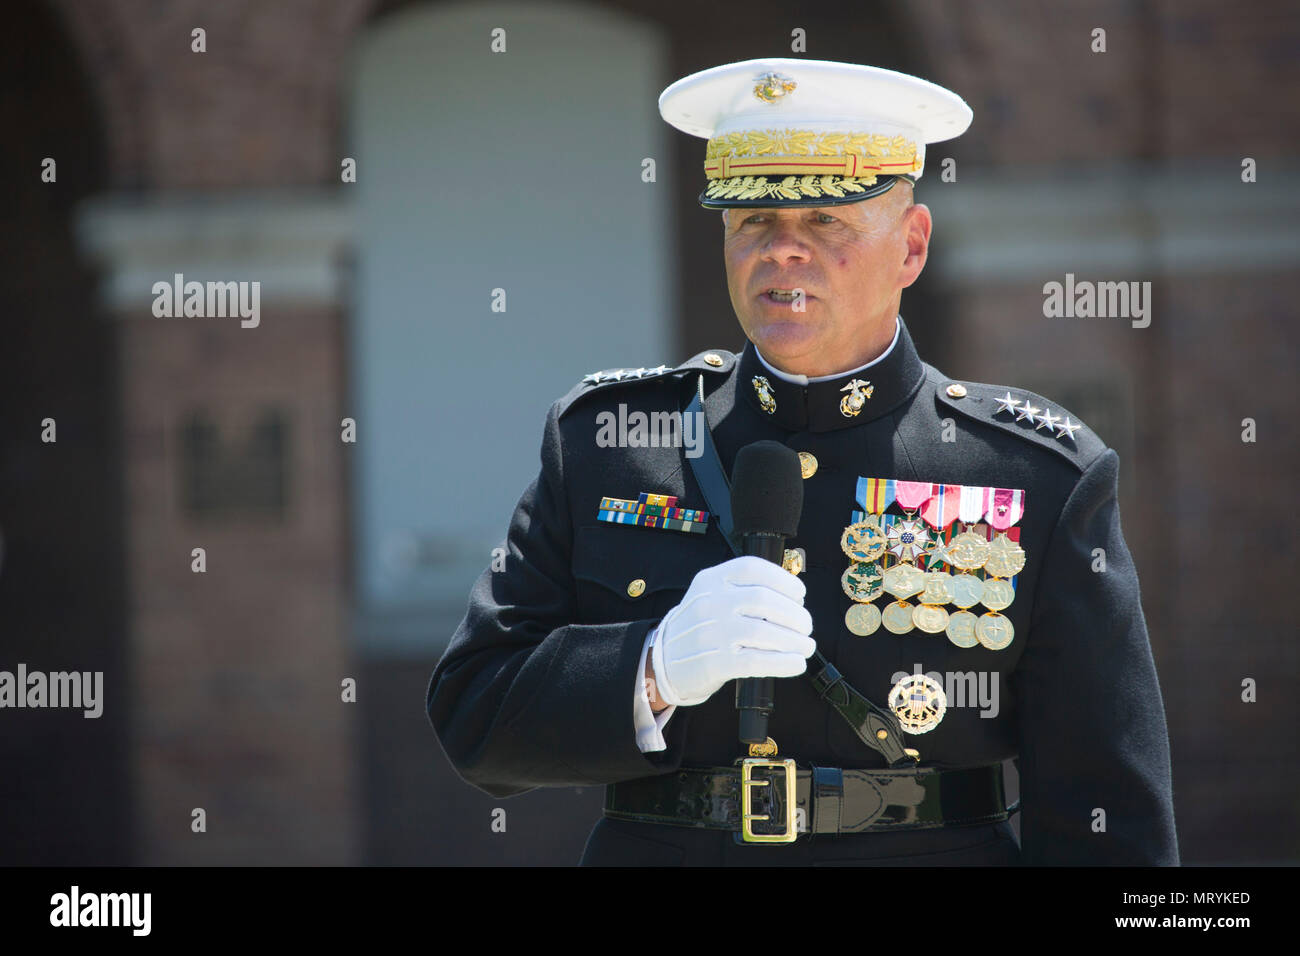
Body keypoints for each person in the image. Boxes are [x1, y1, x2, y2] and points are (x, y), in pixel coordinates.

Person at [426, 58, 1178, 866]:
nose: (781, 252)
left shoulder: (1032, 477)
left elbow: (1108, 815)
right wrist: (653, 667)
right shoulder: (611, 444)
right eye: (752, 221)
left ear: (912, 246)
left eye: (825, 218)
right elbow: (475, 718)